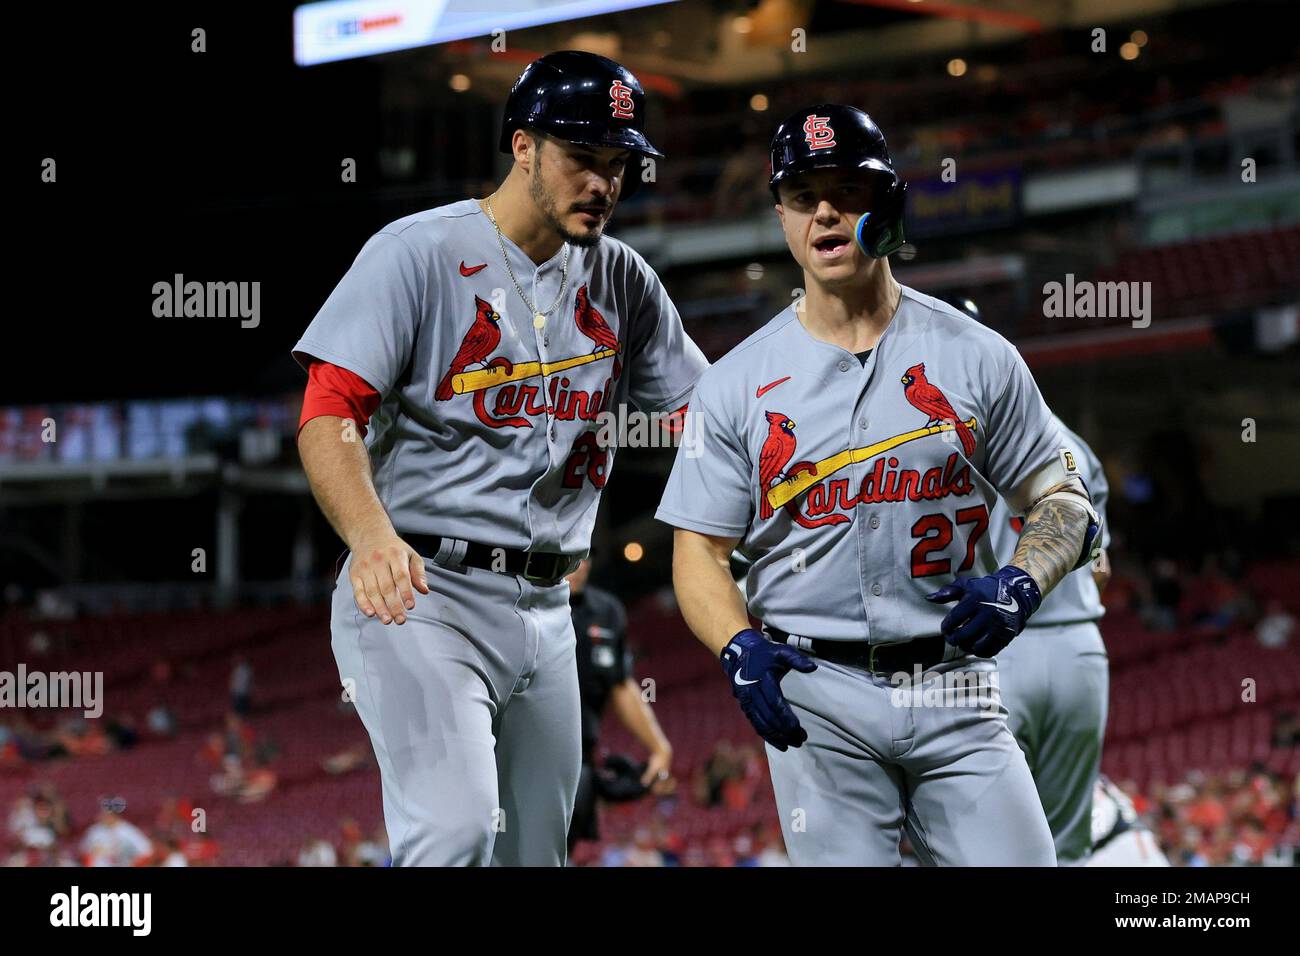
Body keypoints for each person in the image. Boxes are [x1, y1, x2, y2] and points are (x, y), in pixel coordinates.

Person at [655, 104, 1102, 866]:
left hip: (957, 684)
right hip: (816, 693)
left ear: (888, 201)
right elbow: (699, 550)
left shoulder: (978, 356)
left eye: (847, 189)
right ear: (783, 217)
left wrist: (1022, 582)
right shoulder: (734, 385)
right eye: (803, 195)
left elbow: (1061, 497)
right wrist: (737, 645)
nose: (825, 210)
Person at [293, 51, 707, 866]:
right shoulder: (418, 253)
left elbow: (710, 421)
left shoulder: (623, 278)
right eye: (583, 158)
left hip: (550, 608)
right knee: (455, 835)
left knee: (535, 857)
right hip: (420, 589)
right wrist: (371, 536)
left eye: (618, 164)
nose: (604, 182)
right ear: (523, 146)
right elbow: (327, 413)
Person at [988, 415, 1111, 864]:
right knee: (1068, 846)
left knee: (987, 842)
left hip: (993, 652)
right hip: (1077, 649)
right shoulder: (1074, 444)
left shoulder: (953, 442)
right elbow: (1101, 570)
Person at [565, 556, 674, 851]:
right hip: (517, 751)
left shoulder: (606, 610)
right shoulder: (524, 599)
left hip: (579, 761)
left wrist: (659, 747)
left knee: (559, 853)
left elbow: (621, 684)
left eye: (584, 556)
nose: (579, 566)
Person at [1087, 775, 1170, 867]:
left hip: (1122, 845)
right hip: (1134, 841)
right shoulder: (1097, 781)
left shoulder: (1090, 785)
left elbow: (1099, 824)